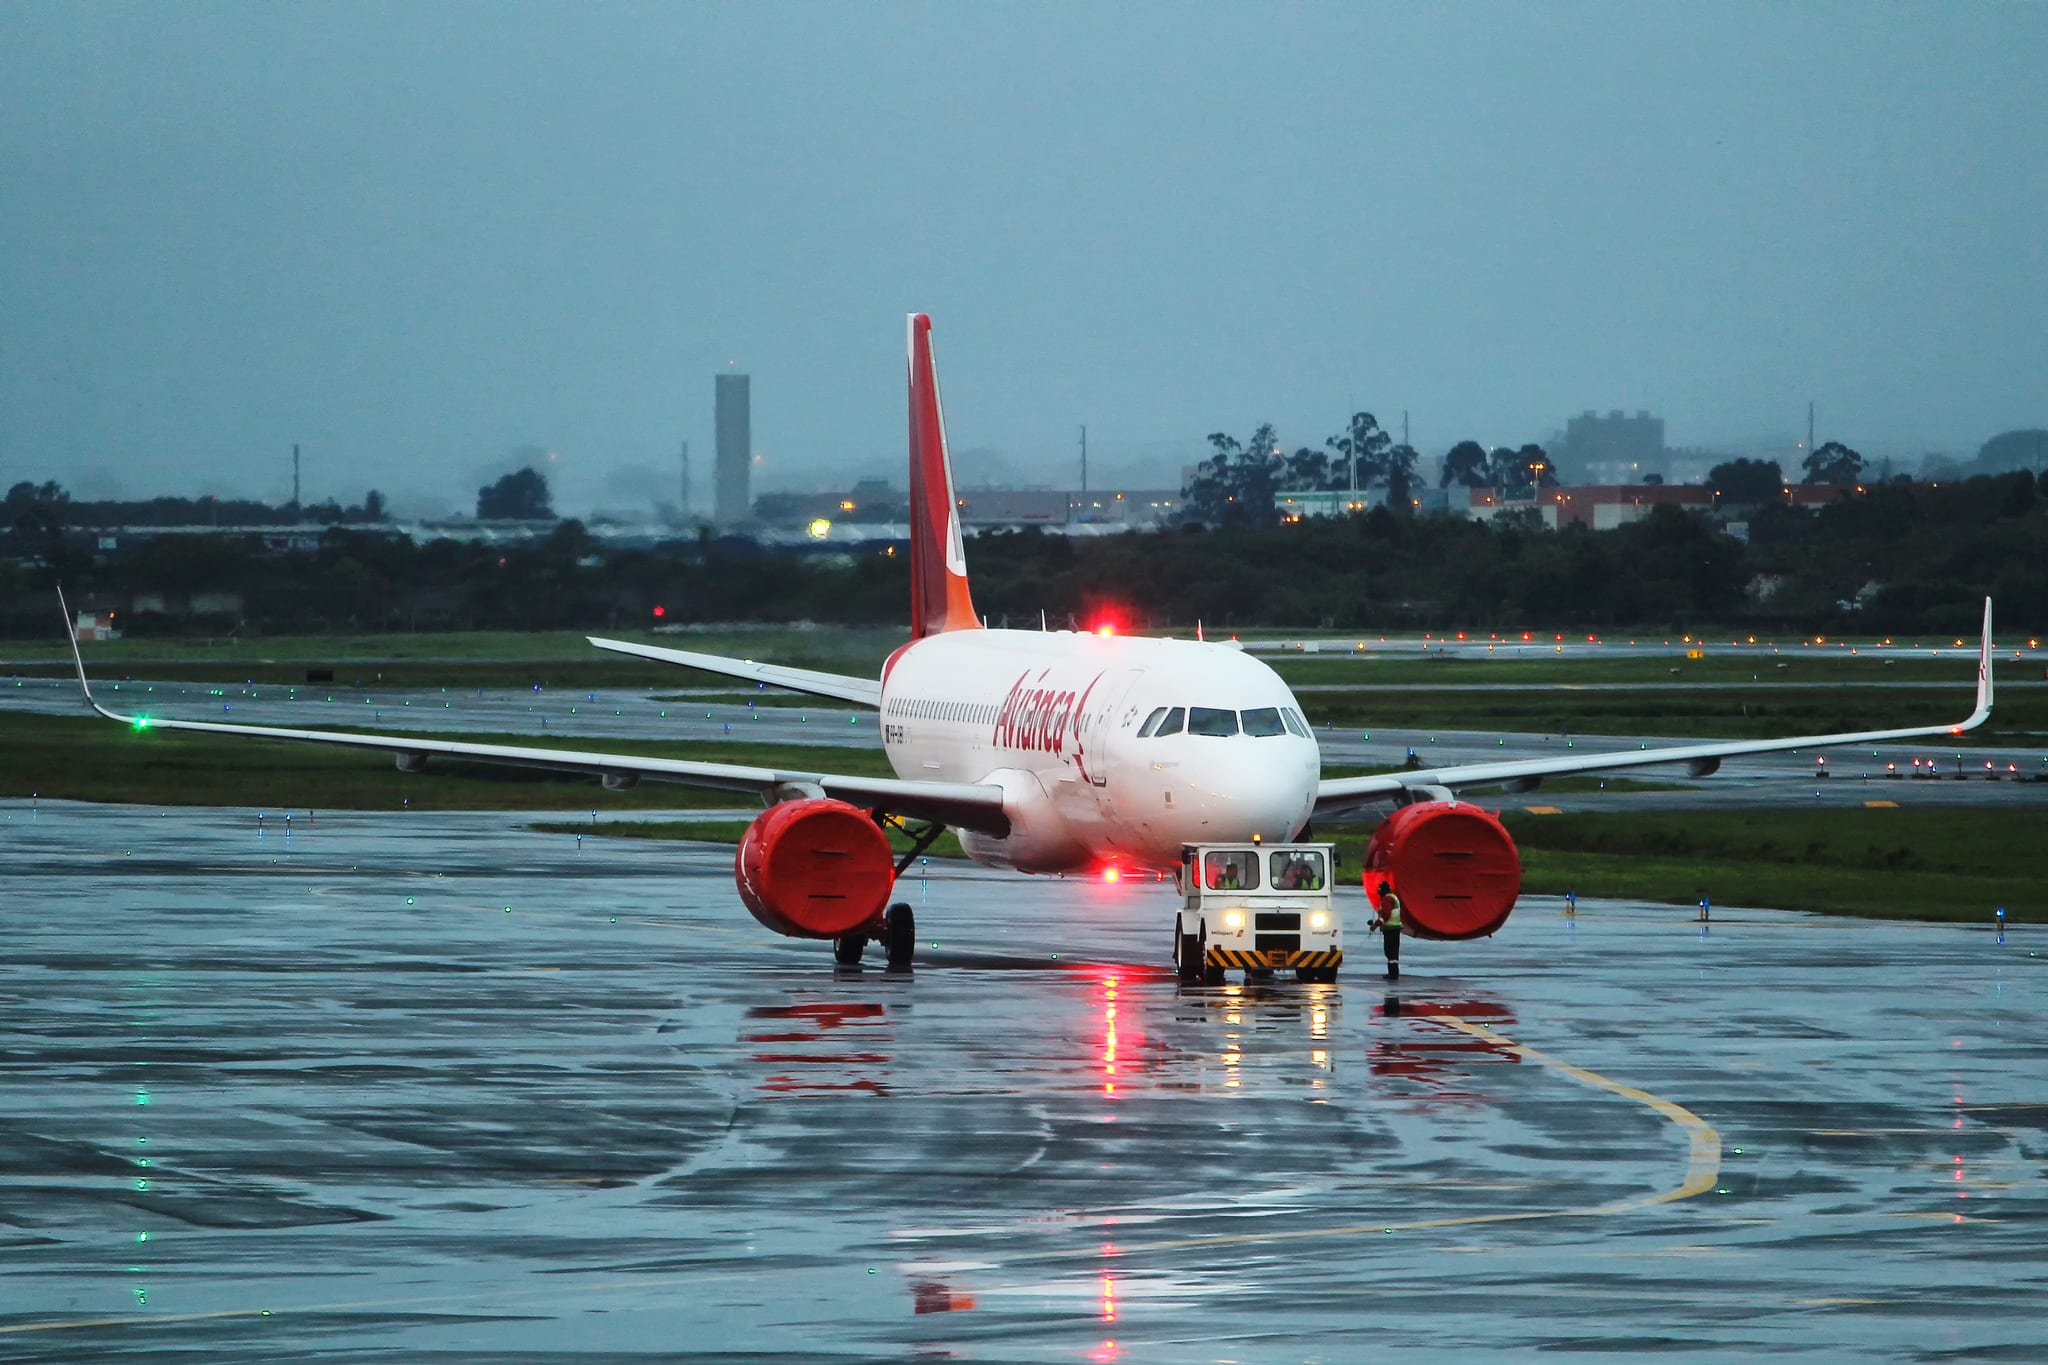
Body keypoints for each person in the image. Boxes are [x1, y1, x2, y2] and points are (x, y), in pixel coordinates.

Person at [1371, 881, 1403, 981]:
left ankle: (1392, 974)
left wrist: (1375, 925)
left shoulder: (1386, 899)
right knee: (1394, 952)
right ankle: (1394, 972)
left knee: (1390, 952)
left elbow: (1385, 915)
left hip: (1390, 929)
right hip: (1395, 928)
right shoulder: (1394, 897)